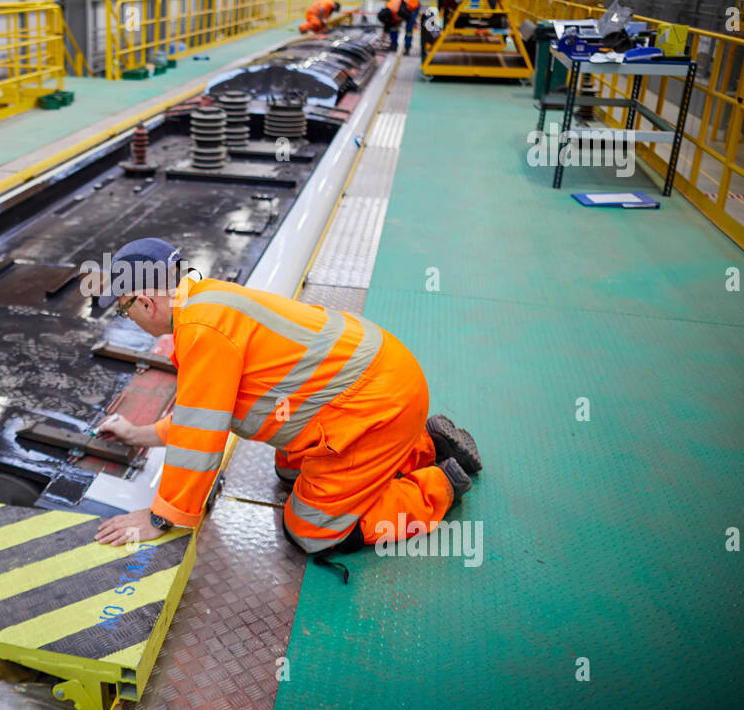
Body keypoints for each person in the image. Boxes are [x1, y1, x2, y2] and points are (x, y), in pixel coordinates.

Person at [89, 237, 482, 578]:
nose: (129, 318)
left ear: (144, 302)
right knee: (288, 469)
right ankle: (423, 445)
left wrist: (163, 516)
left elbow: (199, 439)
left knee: (311, 530)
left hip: (378, 407)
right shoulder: (208, 302)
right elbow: (201, 415)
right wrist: (136, 434)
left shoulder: (201, 330)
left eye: (124, 310)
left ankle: (438, 483)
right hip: (380, 381)